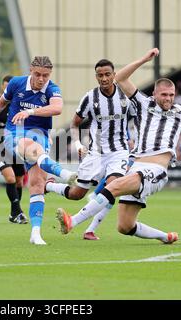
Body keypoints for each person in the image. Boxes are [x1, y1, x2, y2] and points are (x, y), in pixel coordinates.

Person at [56, 48, 181, 244]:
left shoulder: (180, 111)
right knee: (125, 226)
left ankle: (72, 221)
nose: (168, 99)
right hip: (136, 166)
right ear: (155, 94)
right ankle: (165, 237)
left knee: (113, 185)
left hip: (156, 170)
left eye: (171, 95)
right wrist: (144, 59)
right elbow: (121, 78)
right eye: (164, 94)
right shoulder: (143, 103)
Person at [0, 56, 77, 245]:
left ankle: (35, 232)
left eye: (45, 75)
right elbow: (0, 103)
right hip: (14, 132)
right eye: (38, 74)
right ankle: (63, 173)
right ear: (31, 70)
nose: (41, 79)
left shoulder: (52, 88)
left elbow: (57, 108)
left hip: (40, 133)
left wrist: (30, 112)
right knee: (29, 146)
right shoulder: (16, 83)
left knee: (37, 184)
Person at [45, 59, 135, 240]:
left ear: (114, 75)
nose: (104, 79)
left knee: (113, 186)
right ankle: (48, 185)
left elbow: (138, 118)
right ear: (96, 77)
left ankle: (77, 223)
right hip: (95, 153)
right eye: (100, 75)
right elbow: (75, 123)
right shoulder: (90, 98)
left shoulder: (126, 96)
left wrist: (134, 140)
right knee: (76, 194)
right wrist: (78, 144)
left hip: (119, 152)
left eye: (107, 74)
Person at [0, 75, 28, 224]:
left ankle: (15, 212)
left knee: (19, 181)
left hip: (16, 146)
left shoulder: (21, 105)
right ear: (3, 87)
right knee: (10, 177)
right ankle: (17, 213)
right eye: (7, 86)